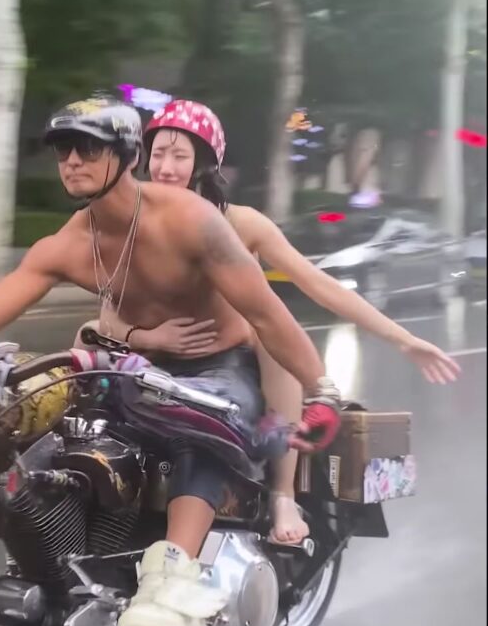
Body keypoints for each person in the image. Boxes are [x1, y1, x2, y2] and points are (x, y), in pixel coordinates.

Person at [0, 93, 342, 626]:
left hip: (221, 366)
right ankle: (41, 559)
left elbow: (268, 315)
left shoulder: (194, 219)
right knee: (38, 418)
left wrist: (321, 390)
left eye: (89, 148)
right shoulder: (68, 243)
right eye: (64, 150)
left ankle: (174, 579)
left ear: (127, 156)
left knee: (200, 422)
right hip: (143, 367)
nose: (72, 161)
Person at [132, 99, 460, 546]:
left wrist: (403, 339)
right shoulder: (132, 221)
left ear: (204, 164)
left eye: (180, 155)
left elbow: (318, 284)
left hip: (231, 366)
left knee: (273, 331)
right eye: (158, 154)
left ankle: (283, 494)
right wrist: (145, 336)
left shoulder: (241, 224)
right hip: (158, 363)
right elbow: (108, 303)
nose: (166, 167)